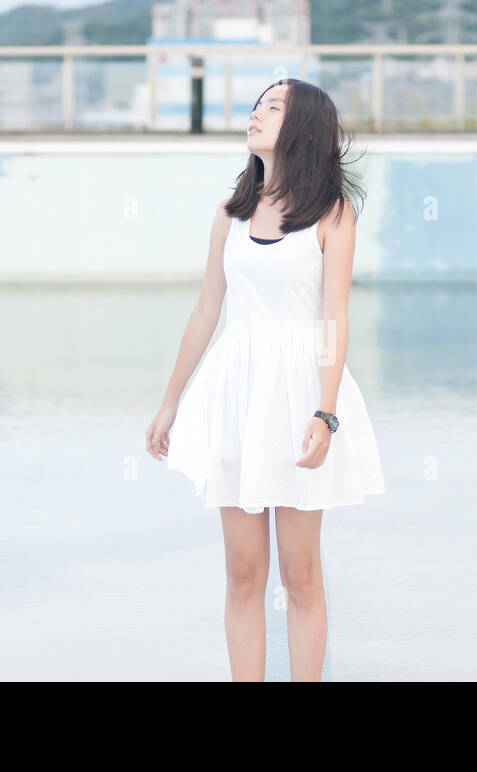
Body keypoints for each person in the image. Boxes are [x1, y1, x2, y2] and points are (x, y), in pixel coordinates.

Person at [145, 78, 385, 681]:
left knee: (300, 573)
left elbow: (335, 316)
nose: (255, 114)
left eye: (272, 107)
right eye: (256, 104)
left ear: (302, 126)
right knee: (243, 573)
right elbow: (206, 312)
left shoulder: (333, 214)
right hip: (237, 394)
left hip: (302, 393)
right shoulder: (230, 215)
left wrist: (326, 412)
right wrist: (170, 403)